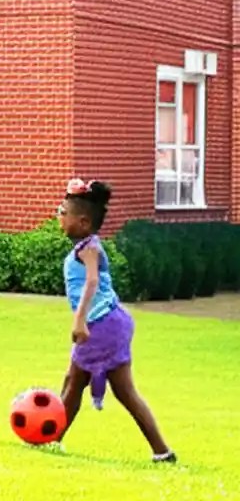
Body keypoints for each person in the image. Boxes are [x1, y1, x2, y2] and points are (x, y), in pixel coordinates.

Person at [54, 179, 175, 463]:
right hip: (112, 323)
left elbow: (92, 281)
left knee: (74, 382)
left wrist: (79, 320)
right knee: (121, 390)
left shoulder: (90, 249)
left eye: (63, 212)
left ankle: (51, 437)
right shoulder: (85, 245)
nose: (58, 216)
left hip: (102, 325)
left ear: (83, 222)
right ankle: (162, 451)